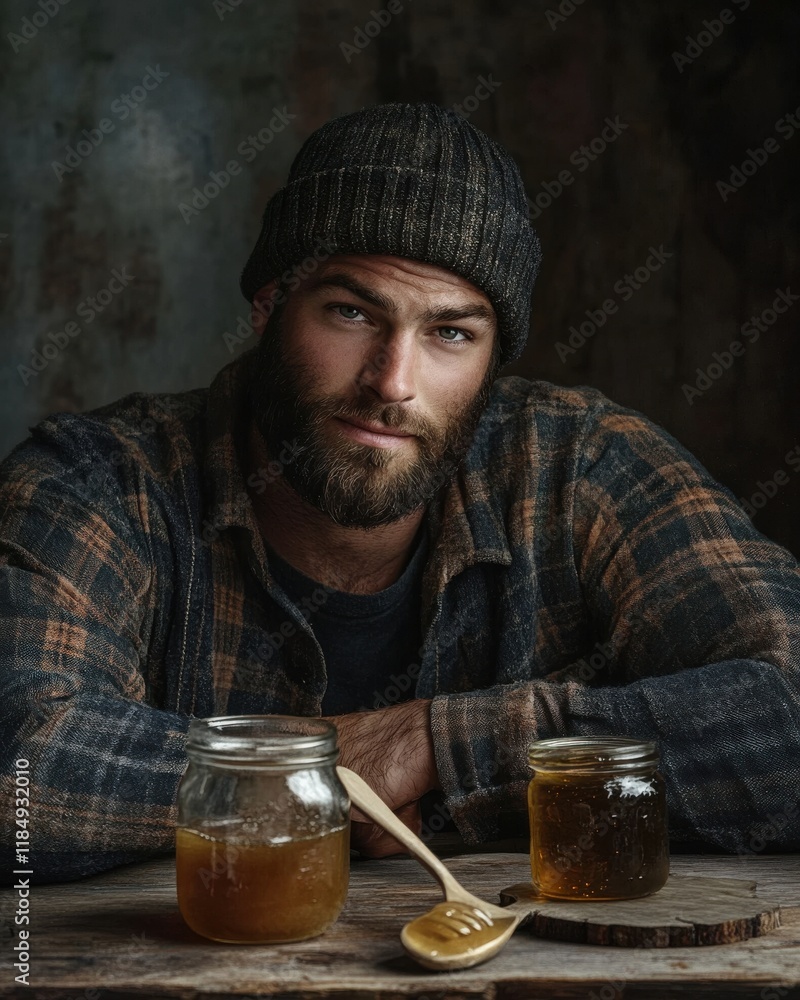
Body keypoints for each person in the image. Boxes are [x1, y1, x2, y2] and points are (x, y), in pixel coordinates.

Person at [2, 103, 799, 885]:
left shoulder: (583, 466)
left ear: (493, 360)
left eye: (451, 333)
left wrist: (437, 743)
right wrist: (319, 773)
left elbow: (786, 702)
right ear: (269, 306)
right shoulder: (100, 481)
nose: (393, 382)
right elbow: (20, 758)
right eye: (351, 312)